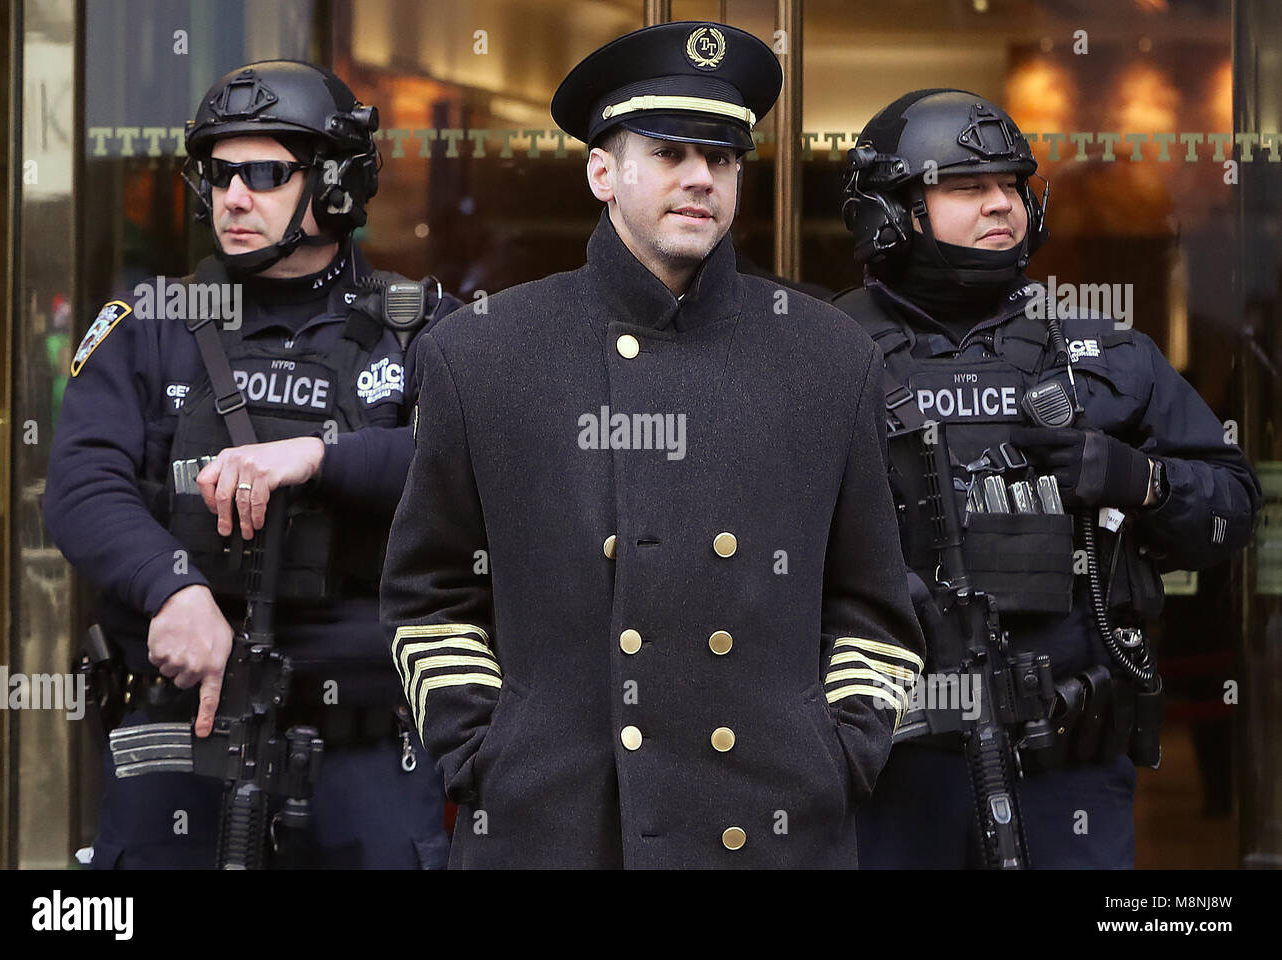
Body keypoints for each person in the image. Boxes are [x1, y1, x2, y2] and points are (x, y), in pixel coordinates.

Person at [380, 21, 924, 870]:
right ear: (603, 171)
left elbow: (875, 606)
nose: (701, 178)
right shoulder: (484, 353)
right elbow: (431, 589)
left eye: (724, 158)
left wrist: (837, 753)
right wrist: (487, 751)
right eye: (669, 152)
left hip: (773, 827)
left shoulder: (829, 357)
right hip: (553, 826)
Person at [832, 88, 1262, 868]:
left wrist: (1142, 481)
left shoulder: (1105, 360)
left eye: (1012, 185)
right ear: (891, 213)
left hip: (1067, 766)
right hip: (889, 773)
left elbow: (1234, 514)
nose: (1003, 204)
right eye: (968, 187)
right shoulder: (822, 362)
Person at [44, 60, 458, 868]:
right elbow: (81, 484)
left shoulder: (422, 331)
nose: (232, 198)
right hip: (182, 741)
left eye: (265, 174)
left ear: (336, 182)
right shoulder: (151, 322)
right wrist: (173, 586)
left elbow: (464, 469)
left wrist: (321, 457)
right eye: (220, 174)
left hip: (366, 754)